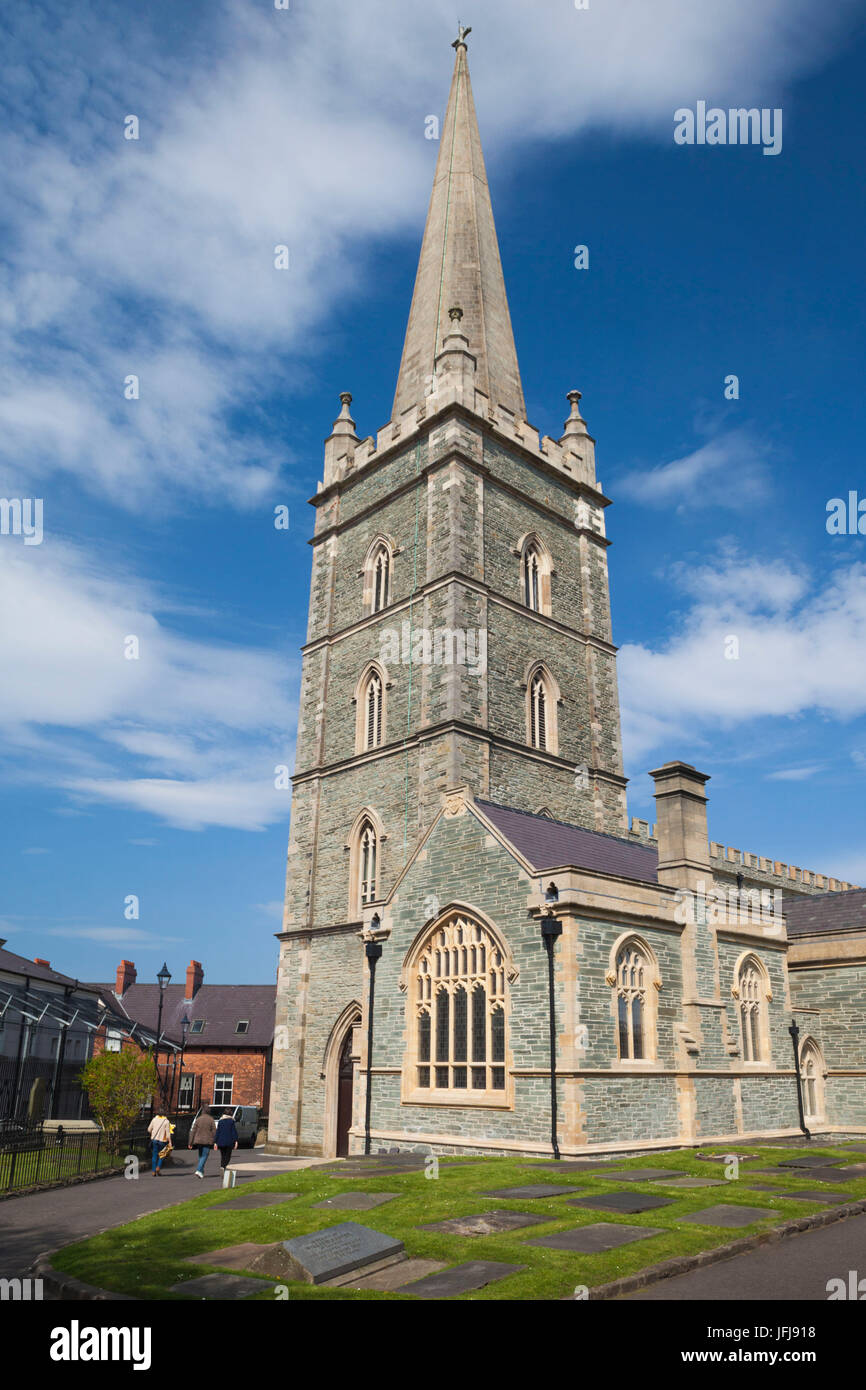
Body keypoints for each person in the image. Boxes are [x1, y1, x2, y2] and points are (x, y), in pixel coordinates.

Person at [188, 1107, 217, 1178]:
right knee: (204, 1156)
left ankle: (201, 1172)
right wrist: (215, 1141)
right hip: (207, 1141)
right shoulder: (211, 1120)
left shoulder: (198, 1119)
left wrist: (190, 1142)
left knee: (201, 1156)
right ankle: (198, 1170)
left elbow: (193, 1131)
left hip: (198, 1141)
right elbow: (214, 1132)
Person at [147, 1110, 171, 1176]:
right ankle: (158, 1167)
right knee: (162, 1155)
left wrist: (153, 1132)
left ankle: (153, 1171)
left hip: (154, 1140)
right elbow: (168, 1133)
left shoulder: (154, 1120)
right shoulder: (166, 1121)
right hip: (162, 1141)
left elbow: (149, 1129)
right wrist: (170, 1142)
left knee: (154, 1156)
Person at [214, 1109, 238, 1173]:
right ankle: (223, 1166)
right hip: (229, 1141)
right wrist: (236, 1141)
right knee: (228, 1156)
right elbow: (233, 1132)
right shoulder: (231, 1121)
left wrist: (215, 1142)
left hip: (221, 1141)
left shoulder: (220, 1121)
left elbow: (218, 1132)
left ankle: (222, 1167)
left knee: (223, 1156)